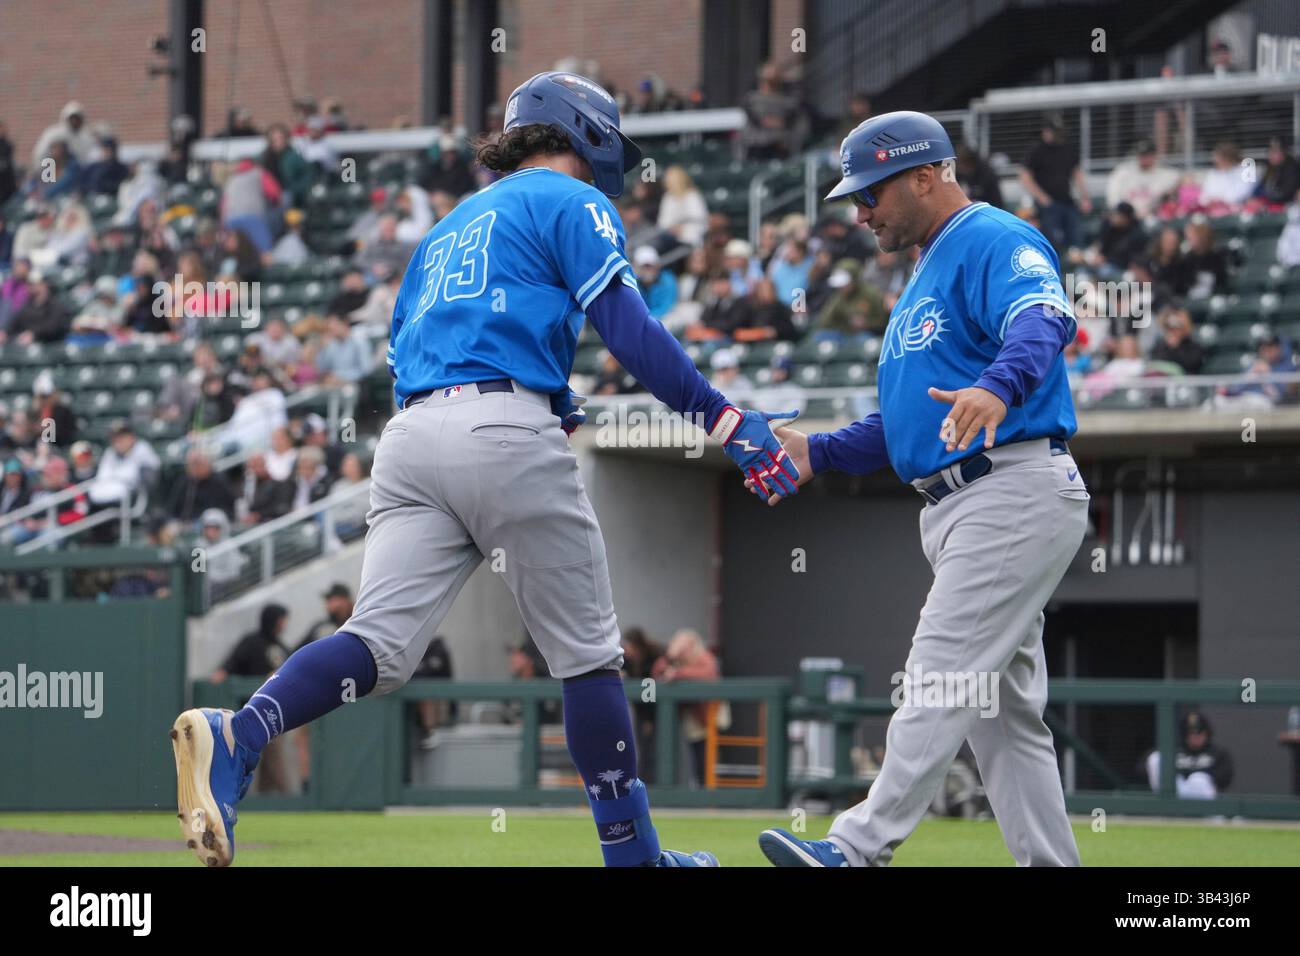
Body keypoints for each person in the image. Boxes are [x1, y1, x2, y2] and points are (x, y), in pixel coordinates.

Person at [168, 70, 795, 869]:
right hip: (502, 427)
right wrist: (722, 416)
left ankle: (243, 730)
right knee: (589, 657)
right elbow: (631, 332)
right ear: (585, 132)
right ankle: (636, 859)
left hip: (411, 435)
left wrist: (538, 392)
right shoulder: (572, 200)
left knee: (378, 644)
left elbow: (415, 359)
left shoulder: (444, 229)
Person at [759, 111, 1087, 868]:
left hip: (1010, 486)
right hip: (965, 496)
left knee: (940, 672)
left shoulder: (990, 236)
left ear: (925, 175)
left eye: (871, 192)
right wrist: (823, 451)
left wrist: (1000, 386)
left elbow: (1045, 315)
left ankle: (857, 847)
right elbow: (915, 420)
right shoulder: (923, 273)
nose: (861, 210)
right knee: (1002, 718)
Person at [651, 628, 721, 786]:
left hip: (705, 715)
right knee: (668, 754)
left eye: (686, 647)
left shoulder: (703, 656)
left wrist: (677, 673)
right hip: (680, 715)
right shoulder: (672, 660)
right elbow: (657, 672)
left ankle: (704, 791)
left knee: (703, 756)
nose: (683, 651)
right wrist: (671, 656)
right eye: (680, 646)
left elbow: (708, 673)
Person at [1019, 118, 1092, 255]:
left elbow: (1076, 173)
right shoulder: (1037, 150)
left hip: (1067, 200)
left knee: (1076, 239)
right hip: (1047, 204)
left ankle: (1077, 270)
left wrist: (1085, 198)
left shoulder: (1067, 148)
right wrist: (1042, 198)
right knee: (1053, 240)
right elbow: (1024, 176)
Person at [1145, 710, 1234, 799]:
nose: (1196, 737)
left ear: (1206, 733)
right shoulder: (1174, 751)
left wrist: (1192, 773)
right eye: (1191, 733)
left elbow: (1224, 779)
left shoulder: (1217, 753)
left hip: (1206, 798)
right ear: (1185, 735)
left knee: (1198, 780)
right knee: (1156, 757)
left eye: (1199, 733)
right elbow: (1141, 770)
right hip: (1176, 796)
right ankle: (1169, 807)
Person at [1104, 141, 1180, 219]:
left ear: (1154, 155)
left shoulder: (1166, 174)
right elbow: (1113, 199)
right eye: (1141, 155)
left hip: (1152, 216)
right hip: (1126, 217)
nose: (1144, 158)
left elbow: (1181, 181)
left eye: (1147, 155)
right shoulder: (1124, 172)